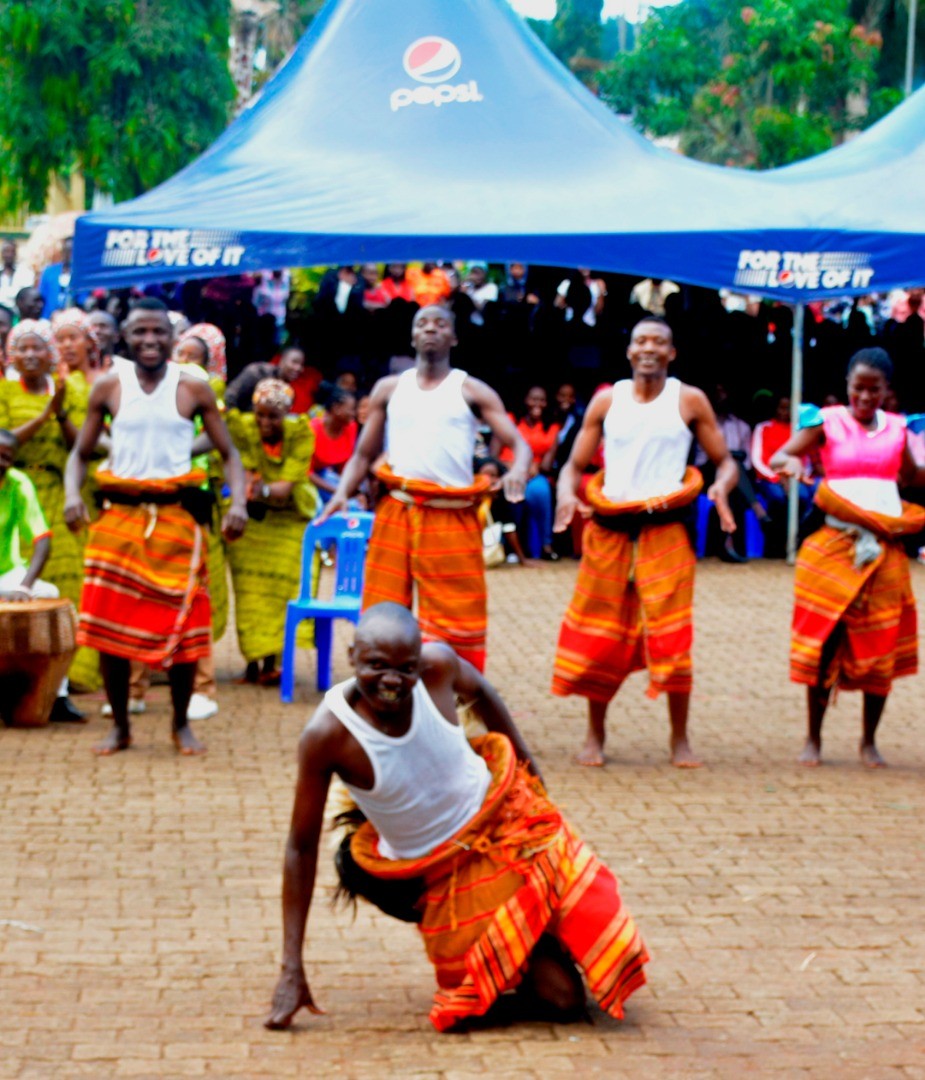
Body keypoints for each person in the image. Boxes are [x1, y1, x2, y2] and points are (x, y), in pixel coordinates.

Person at [265, 603, 649, 1033]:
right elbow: (300, 847)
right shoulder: (327, 736)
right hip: (450, 878)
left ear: (420, 662)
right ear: (352, 656)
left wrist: (531, 772)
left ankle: (535, 933)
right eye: (376, 665)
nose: (391, 681)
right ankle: (514, 947)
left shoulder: (438, 669)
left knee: (611, 940)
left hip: (509, 826)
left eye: (405, 669)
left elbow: (482, 690)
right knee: (564, 999)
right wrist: (291, 967)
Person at [63, 298, 248, 756]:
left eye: (158, 332)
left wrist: (238, 502)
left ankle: (180, 724)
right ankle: (120, 726)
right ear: (125, 337)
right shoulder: (109, 386)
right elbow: (80, 454)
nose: (150, 340)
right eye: (140, 332)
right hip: (118, 519)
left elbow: (229, 453)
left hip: (176, 520)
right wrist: (72, 495)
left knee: (184, 628)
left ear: (172, 337)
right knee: (108, 630)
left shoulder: (193, 388)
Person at [552, 317, 738, 767]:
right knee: (601, 635)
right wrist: (565, 495)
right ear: (629, 351)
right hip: (609, 531)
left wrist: (720, 488)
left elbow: (725, 461)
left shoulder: (688, 400)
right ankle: (595, 736)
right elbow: (573, 465)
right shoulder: (607, 400)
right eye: (641, 340)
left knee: (672, 635)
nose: (649, 348)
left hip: (666, 530)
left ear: (672, 353)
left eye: (659, 341)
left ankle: (680, 740)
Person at [318, 305, 531, 672]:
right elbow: (363, 454)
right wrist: (340, 494)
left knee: (457, 617)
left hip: (451, 515)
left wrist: (519, 470)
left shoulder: (471, 390)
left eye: (440, 324)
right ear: (412, 336)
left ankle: (455, 694)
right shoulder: (389, 388)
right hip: (397, 510)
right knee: (383, 612)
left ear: (454, 337)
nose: (431, 329)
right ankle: (383, 691)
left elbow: (519, 444)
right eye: (423, 324)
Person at [770, 348, 925, 768]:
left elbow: (911, 475)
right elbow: (781, 455)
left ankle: (869, 741)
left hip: (885, 547)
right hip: (835, 545)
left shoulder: (898, 429)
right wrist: (790, 465)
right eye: (858, 388)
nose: (865, 397)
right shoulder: (827, 421)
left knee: (882, 642)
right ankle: (813, 738)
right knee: (825, 639)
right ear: (847, 386)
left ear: (887, 391)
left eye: (874, 390)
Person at [0, 318, 94, 701]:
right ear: (12, 355)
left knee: (70, 582)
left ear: (50, 353)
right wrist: (44, 415)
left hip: (59, 491)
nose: (30, 354)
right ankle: (20, 676)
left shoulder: (69, 390)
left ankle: (70, 676)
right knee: (20, 586)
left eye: (37, 347)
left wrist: (61, 413)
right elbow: (5, 442)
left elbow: (82, 445)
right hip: (15, 492)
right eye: (22, 348)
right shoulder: (5, 392)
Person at [225, 378, 318, 685]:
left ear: (286, 414)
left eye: (273, 416)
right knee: (249, 595)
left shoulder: (300, 432)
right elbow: (239, 468)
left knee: (282, 595)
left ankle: (273, 662)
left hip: (289, 520)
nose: (265, 422)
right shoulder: (243, 428)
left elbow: (285, 486)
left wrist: (259, 488)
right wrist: (248, 492)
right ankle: (252, 664)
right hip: (251, 524)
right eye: (260, 415)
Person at [0, 428, 83, 720]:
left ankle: (57, 695)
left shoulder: (18, 483)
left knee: (50, 595)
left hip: (8, 573)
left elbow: (42, 540)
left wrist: (24, 587)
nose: (1, 462)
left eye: (7, 457)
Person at [496, 386, 560, 560]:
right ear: (525, 400)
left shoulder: (552, 427)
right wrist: (512, 467)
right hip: (508, 471)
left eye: (542, 400)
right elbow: (493, 453)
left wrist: (532, 468)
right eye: (533, 399)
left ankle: (545, 545)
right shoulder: (510, 420)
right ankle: (510, 548)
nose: (537, 404)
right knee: (513, 494)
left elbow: (547, 465)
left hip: (534, 474)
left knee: (540, 491)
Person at [308, 386, 359, 506]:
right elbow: (306, 473)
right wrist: (337, 492)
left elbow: (345, 467)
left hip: (325, 476)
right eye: (351, 409)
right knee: (317, 508)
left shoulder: (351, 427)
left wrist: (353, 491)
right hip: (305, 480)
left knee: (354, 505)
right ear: (336, 408)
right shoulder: (311, 430)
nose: (354, 413)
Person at [223, 346, 305, 412]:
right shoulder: (258, 372)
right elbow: (230, 395)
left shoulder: (287, 390)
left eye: (301, 364)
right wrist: (235, 419)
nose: (298, 368)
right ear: (282, 360)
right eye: (294, 362)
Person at [0, 240, 35, 310]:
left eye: (12, 252)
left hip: (16, 311)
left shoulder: (25, 273)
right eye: (6, 251)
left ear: (15, 254)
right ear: (2, 253)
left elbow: (26, 295)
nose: (9, 255)